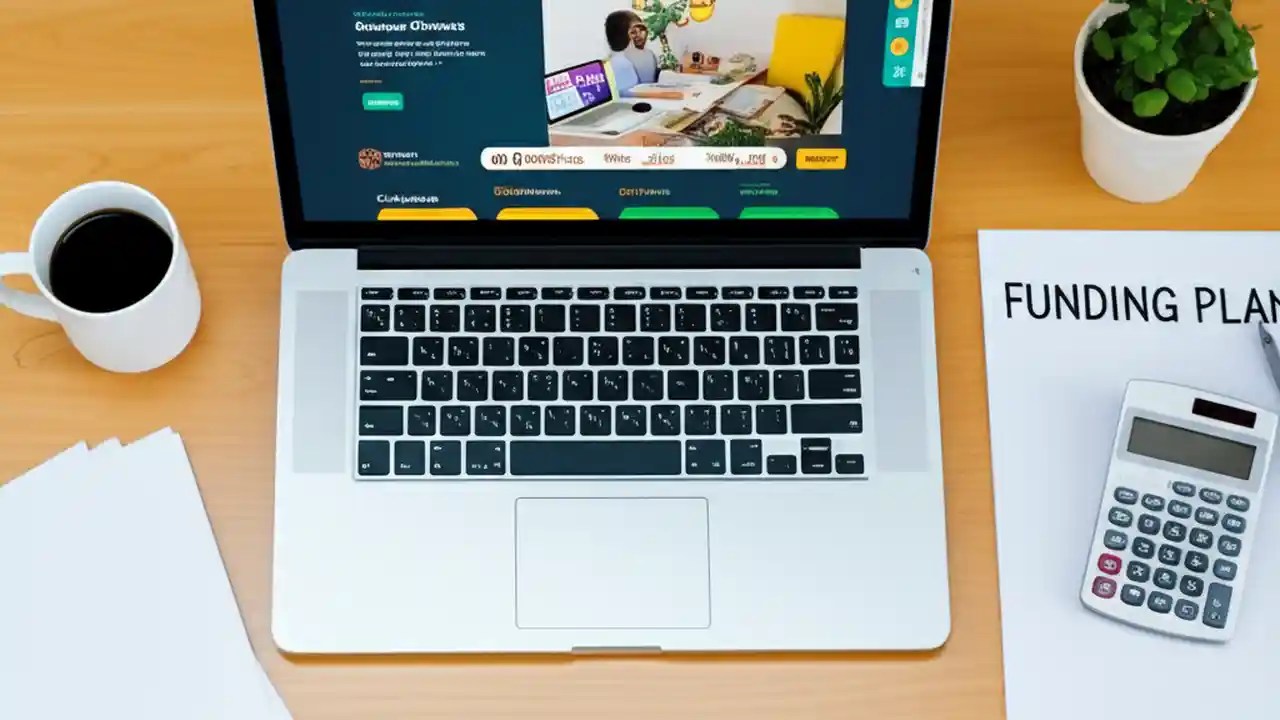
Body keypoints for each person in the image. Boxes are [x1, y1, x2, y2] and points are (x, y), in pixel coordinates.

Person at [605, 10, 659, 97]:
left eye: (641, 30)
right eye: (633, 32)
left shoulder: (649, 54)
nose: (639, 35)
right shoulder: (618, 62)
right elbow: (627, 94)